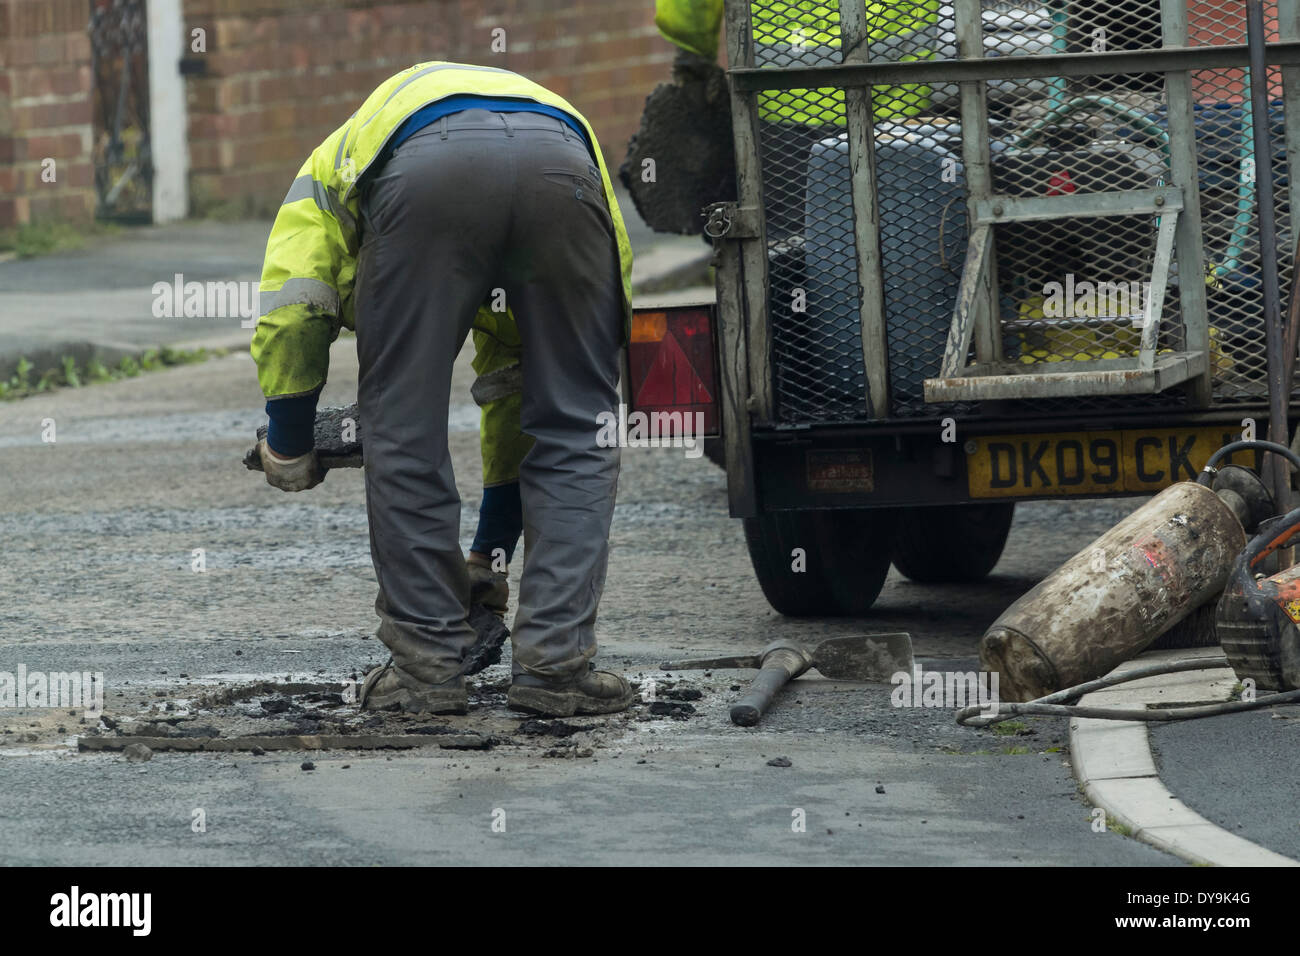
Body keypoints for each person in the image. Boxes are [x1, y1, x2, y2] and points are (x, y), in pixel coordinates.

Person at [251, 62, 636, 718]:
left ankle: (427, 672)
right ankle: (555, 670)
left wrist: (287, 441)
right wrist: (489, 551)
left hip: (425, 179)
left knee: (401, 423)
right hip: (568, 173)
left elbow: (295, 306)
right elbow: (523, 400)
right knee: (577, 425)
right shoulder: (540, 121)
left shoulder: (333, 167)